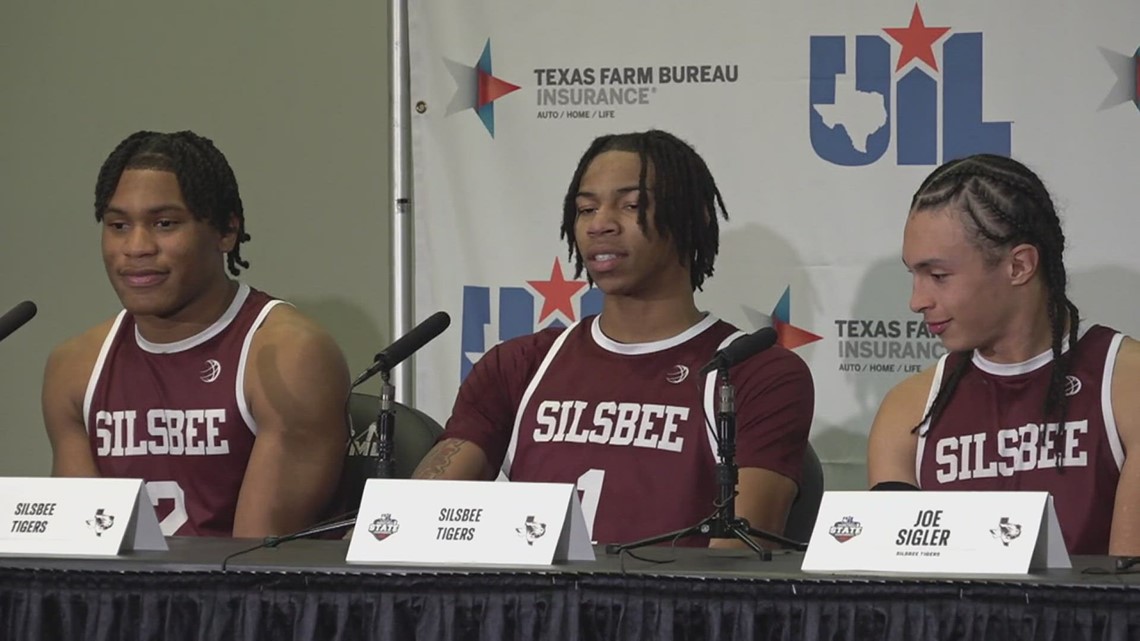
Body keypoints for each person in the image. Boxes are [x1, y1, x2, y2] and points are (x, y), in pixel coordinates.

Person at [413, 130, 814, 547]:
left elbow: (739, 561)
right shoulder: (517, 365)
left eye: (631, 205)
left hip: (672, 610)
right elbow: (415, 522)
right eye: (586, 208)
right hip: (529, 608)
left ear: (694, 218)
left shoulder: (753, 372)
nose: (600, 224)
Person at [41, 130, 350, 538]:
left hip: (239, 597)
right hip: (116, 600)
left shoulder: (288, 355)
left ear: (226, 232)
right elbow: (83, 545)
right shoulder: (75, 367)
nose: (136, 247)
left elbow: (253, 561)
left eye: (164, 223)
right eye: (118, 225)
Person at [867, 153, 1140, 556]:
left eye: (939, 276)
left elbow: (1126, 593)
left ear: (1019, 266)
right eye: (914, 275)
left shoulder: (1126, 385)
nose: (917, 301)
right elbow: (899, 590)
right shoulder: (907, 409)